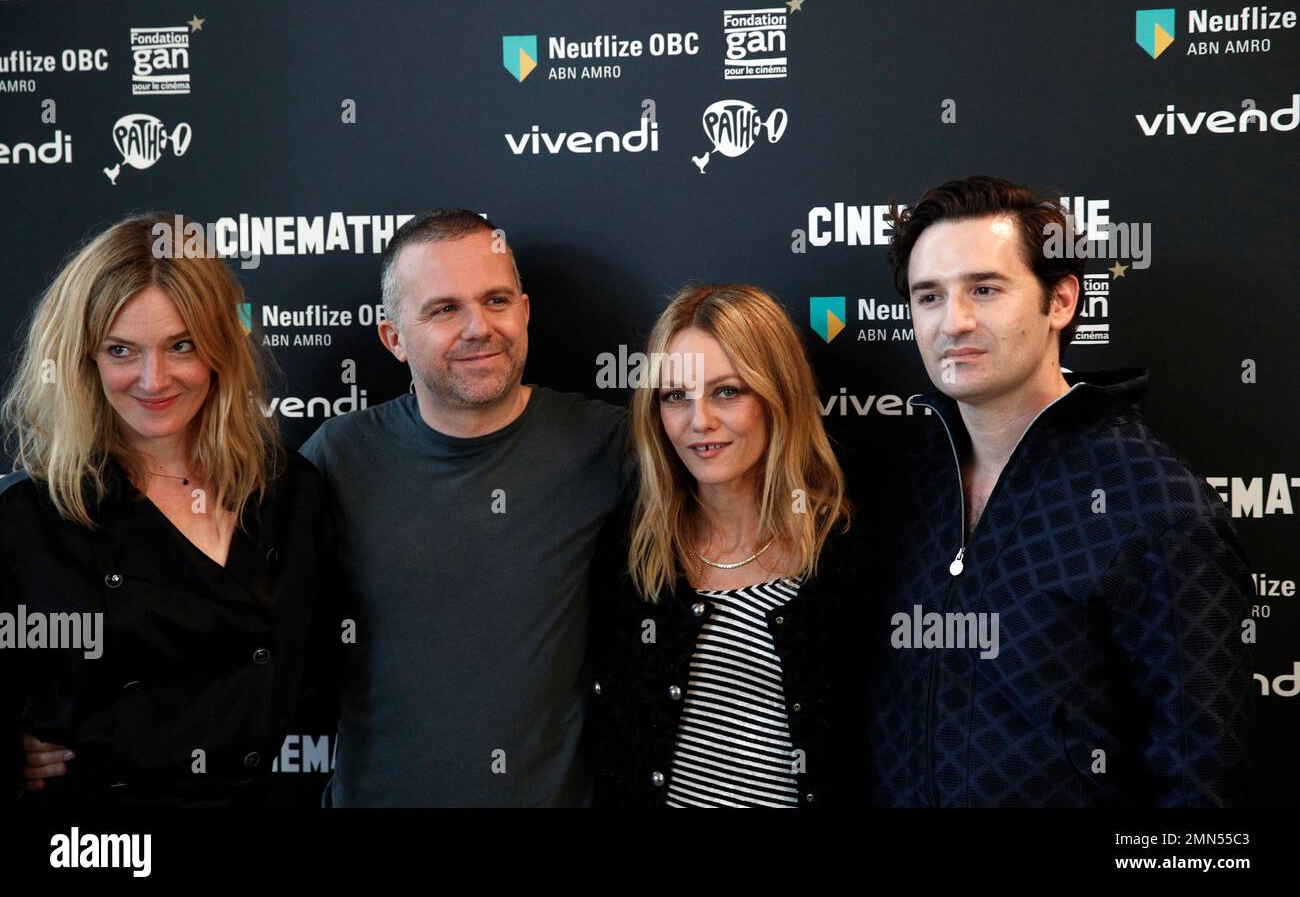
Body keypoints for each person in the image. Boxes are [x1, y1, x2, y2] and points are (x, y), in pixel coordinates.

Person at [866, 176, 1253, 807]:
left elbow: (1201, 786)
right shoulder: (906, 484)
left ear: (1062, 301)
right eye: (928, 296)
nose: (953, 322)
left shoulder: (1155, 506)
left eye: (984, 290)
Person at [3, 213, 339, 806]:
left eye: (180, 345)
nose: (153, 380)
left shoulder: (289, 488)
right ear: (84, 359)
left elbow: (325, 669)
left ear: (220, 349)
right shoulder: (30, 518)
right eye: (121, 350)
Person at [299, 209, 627, 806]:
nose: (479, 327)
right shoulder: (337, 457)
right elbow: (239, 627)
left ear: (525, 312)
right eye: (444, 309)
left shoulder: (610, 446)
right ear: (393, 338)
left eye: (496, 300)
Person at [588, 283, 865, 807]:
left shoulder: (847, 549)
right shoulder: (629, 550)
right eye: (676, 397)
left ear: (778, 394)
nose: (700, 422)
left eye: (727, 391)